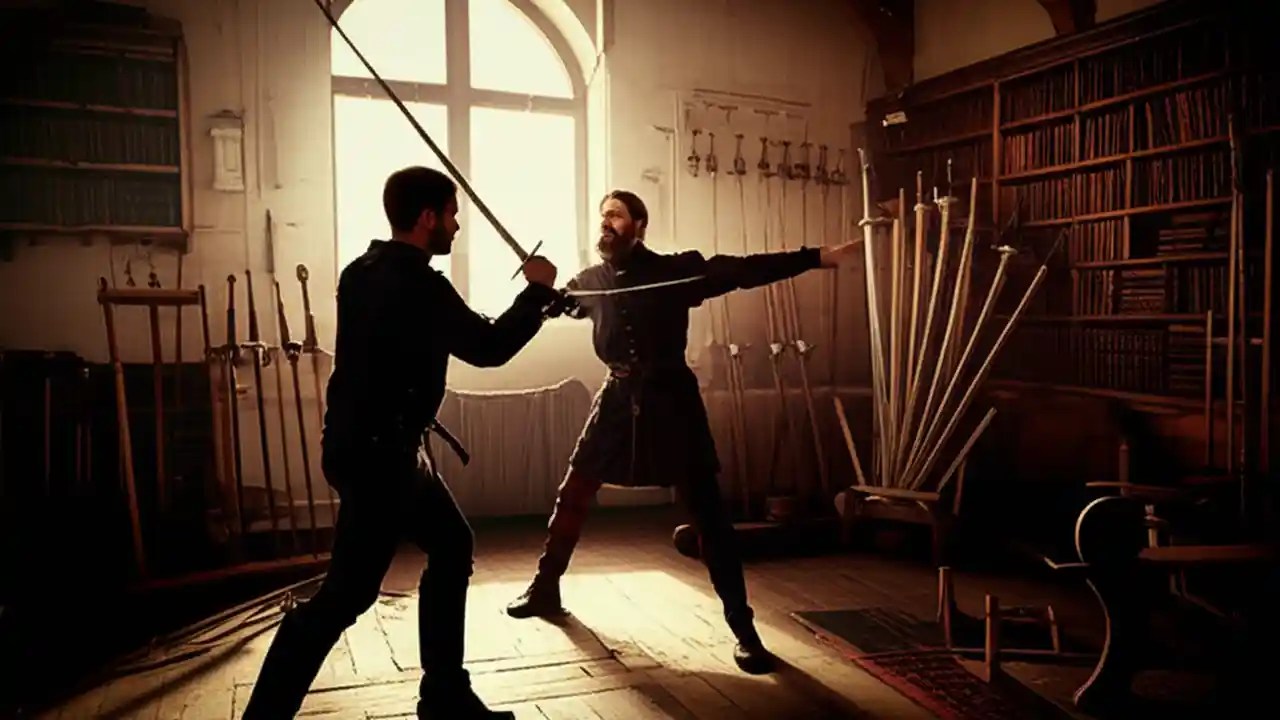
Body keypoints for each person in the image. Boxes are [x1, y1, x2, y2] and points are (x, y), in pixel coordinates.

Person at [242, 166, 562, 720]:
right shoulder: (420, 283)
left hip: (367, 447)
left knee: (451, 544)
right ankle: (264, 717)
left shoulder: (361, 271)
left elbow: (446, 329)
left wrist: (539, 304)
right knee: (347, 595)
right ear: (427, 217)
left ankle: (445, 695)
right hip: (381, 458)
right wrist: (536, 291)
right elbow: (487, 346)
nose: (457, 226)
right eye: (451, 214)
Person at [505, 189, 860, 674]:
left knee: (709, 513)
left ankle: (744, 629)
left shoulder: (675, 271)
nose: (606, 223)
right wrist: (539, 290)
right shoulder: (590, 282)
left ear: (640, 225)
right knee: (574, 492)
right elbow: (555, 309)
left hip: (672, 398)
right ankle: (546, 588)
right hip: (615, 397)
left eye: (616, 215)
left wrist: (817, 257)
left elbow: (739, 270)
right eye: (602, 216)